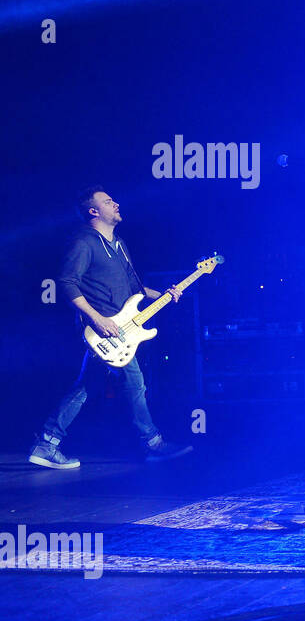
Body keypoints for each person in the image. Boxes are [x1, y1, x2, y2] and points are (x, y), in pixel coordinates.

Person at [29, 187, 192, 469]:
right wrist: (96, 319)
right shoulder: (84, 241)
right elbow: (67, 283)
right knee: (135, 383)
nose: (116, 203)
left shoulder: (119, 244)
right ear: (93, 211)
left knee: (87, 386)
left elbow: (133, 288)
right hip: (103, 330)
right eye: (108, 201)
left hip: (121, 330)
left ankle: (47, 443)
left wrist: (163, 295)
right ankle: (153, 444)